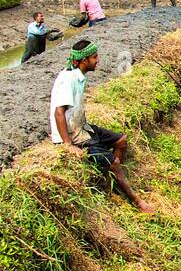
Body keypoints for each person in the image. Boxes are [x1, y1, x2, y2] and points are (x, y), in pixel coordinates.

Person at [50, 39, 151, 212]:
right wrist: (68, 145)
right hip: (73, 135)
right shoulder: (68, 80)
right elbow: (59, 113)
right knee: (114, 163)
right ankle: (137, 201)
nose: (98, 60)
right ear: (84, 60)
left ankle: (112, 181)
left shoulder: (77, 76)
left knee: (121, 141)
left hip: (82, 128)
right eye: (95, 57)